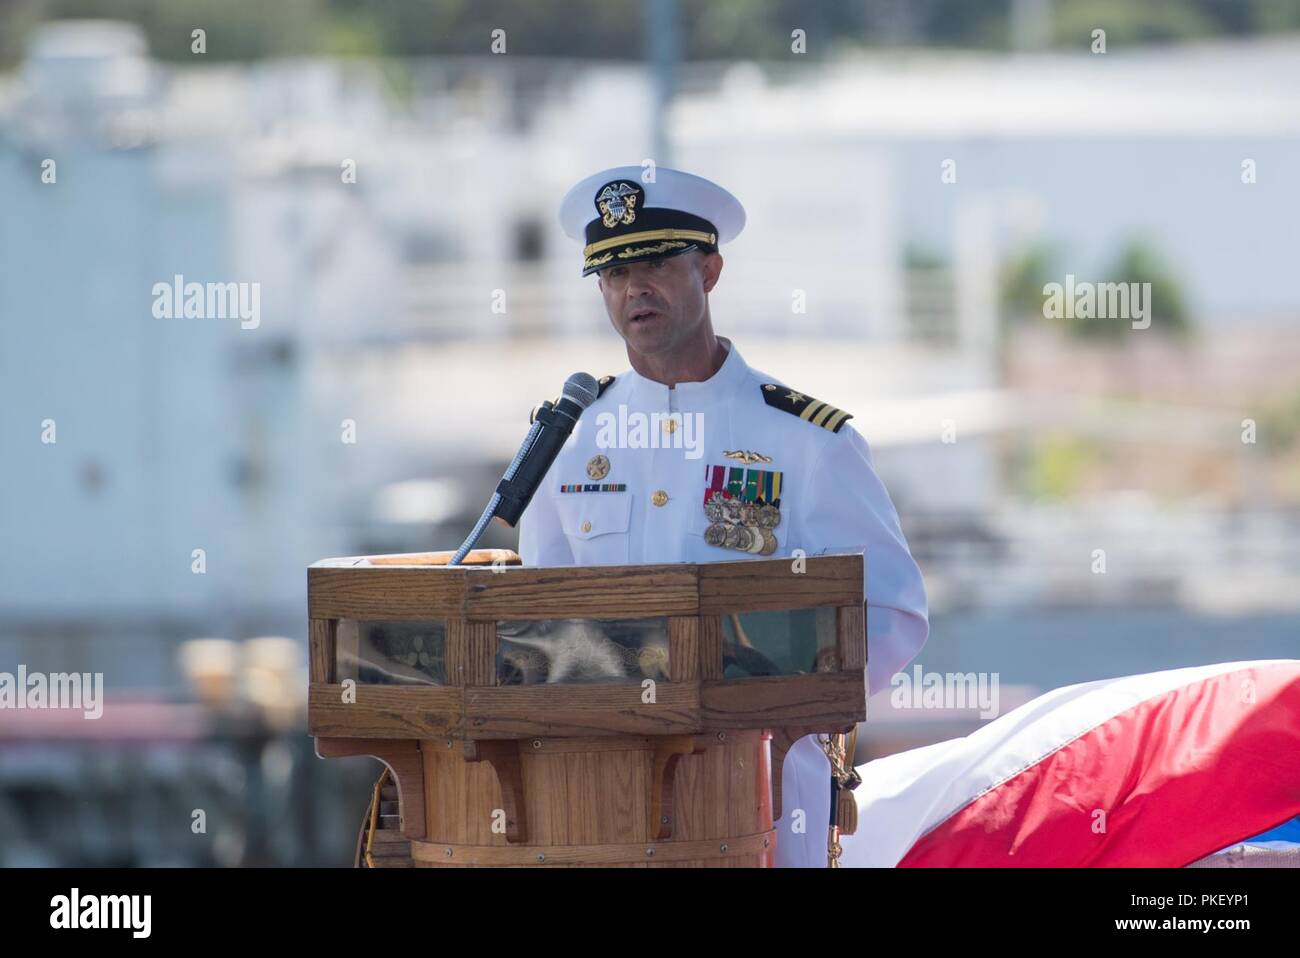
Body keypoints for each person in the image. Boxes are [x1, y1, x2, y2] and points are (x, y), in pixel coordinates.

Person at [517, 165, 929, 867]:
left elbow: (892, 611)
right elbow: (537, 610)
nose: (632, 289)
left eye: (653, 264)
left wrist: (786, 721)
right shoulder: (569, 439)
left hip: (761, 795)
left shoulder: (806, 440)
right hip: (598, 799)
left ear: (709, 270)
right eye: (612, 274)